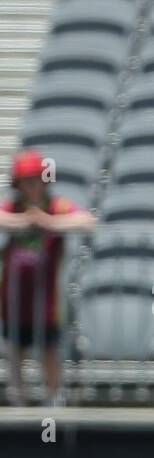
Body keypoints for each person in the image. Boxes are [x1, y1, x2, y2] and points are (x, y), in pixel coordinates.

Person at [0, 149, 95, 405]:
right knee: (15, 351)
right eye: (26, 181)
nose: (32, 186)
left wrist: (47, 223)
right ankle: (18, 403)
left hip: (46, 301)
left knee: (48, 351)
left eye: (36, 180)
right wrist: (24, 222)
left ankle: (53, 404)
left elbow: (87, 222)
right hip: (15, 299)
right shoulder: (13, 207)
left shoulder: (57, 206)